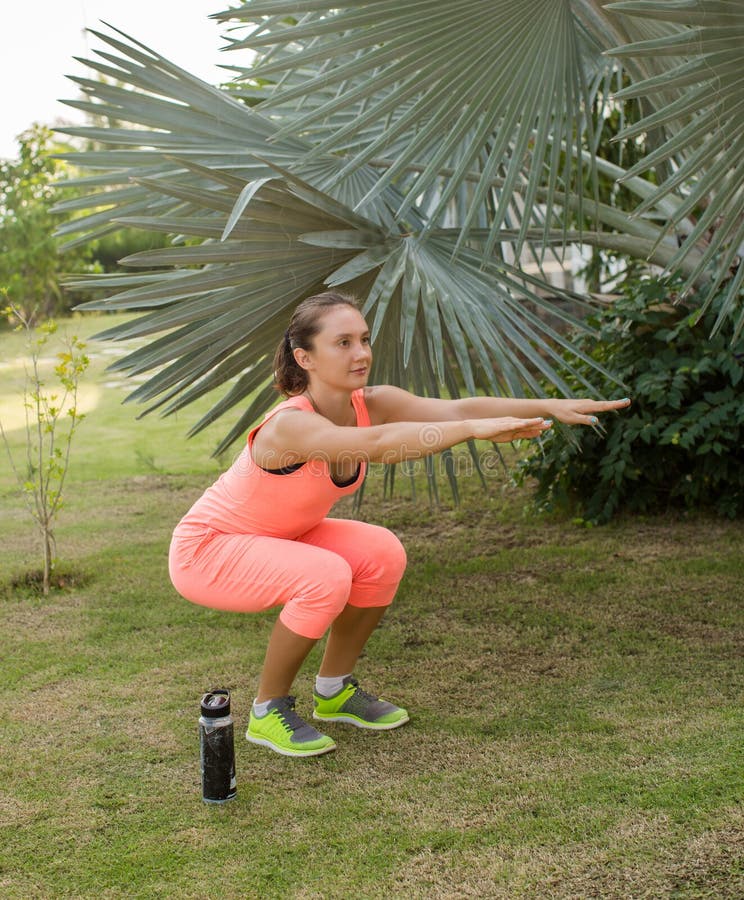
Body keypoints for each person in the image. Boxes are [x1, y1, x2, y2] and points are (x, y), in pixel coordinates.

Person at [169, 291, 630, 758]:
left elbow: (458, 410)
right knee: (324, 576)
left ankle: (334, 691)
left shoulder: (372, 401)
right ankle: (268, 712)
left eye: (364, 340)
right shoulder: (290, 425)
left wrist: (549, 405)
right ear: (304, 357)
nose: (362, 353)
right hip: (208, 550)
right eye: (343, 343)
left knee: (382, 552)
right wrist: (471, 433)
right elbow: (378, 444)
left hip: (280, 536)